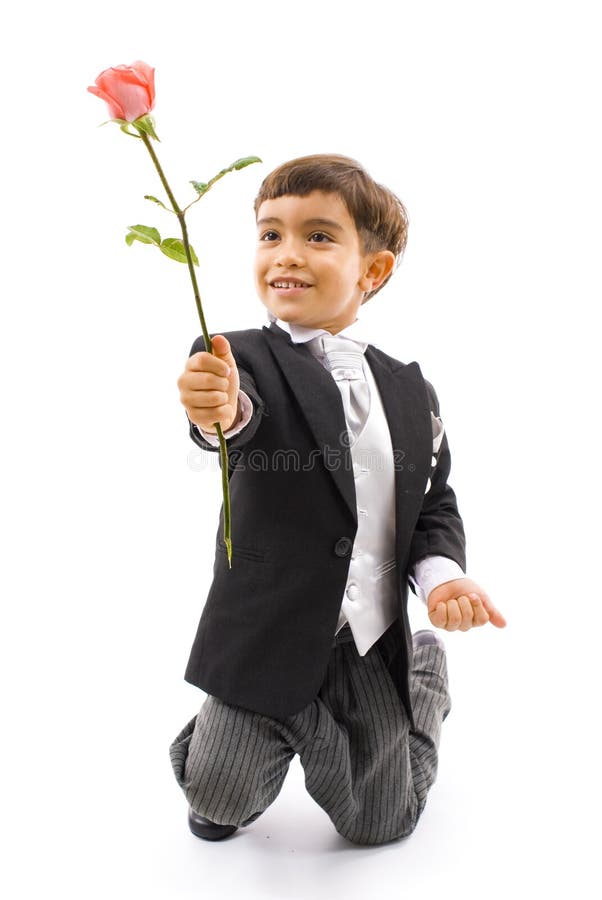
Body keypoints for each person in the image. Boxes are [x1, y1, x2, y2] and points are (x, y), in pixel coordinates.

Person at [169, 154, 506, 845]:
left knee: (384, 824)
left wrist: (442, 577)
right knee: (218, 797)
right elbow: (238, 420)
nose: (287, 254)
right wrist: (220, 410)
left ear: (372, 270)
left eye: (318, 236)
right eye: (271, 234)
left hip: (366, 639)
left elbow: (431, 501)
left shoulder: (410, 390)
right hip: (266, 636)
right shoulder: (237, 358)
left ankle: (422, 679)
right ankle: (241, 745)